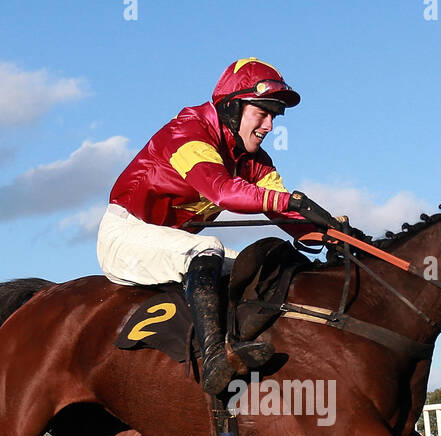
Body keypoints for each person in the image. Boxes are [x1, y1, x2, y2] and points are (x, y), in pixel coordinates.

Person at [98, 58, 347, 395]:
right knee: (208, 247)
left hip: (172, 244)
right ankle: (215, 358)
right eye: (262, 113)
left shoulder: (253, 159)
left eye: (274, 115)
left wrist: (336, 237)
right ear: (232, 107)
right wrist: (287, 202)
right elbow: (224, 191)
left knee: (256, 269)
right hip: (124, 236)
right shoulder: (186, 134)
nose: (270, 126)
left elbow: (285, 209)